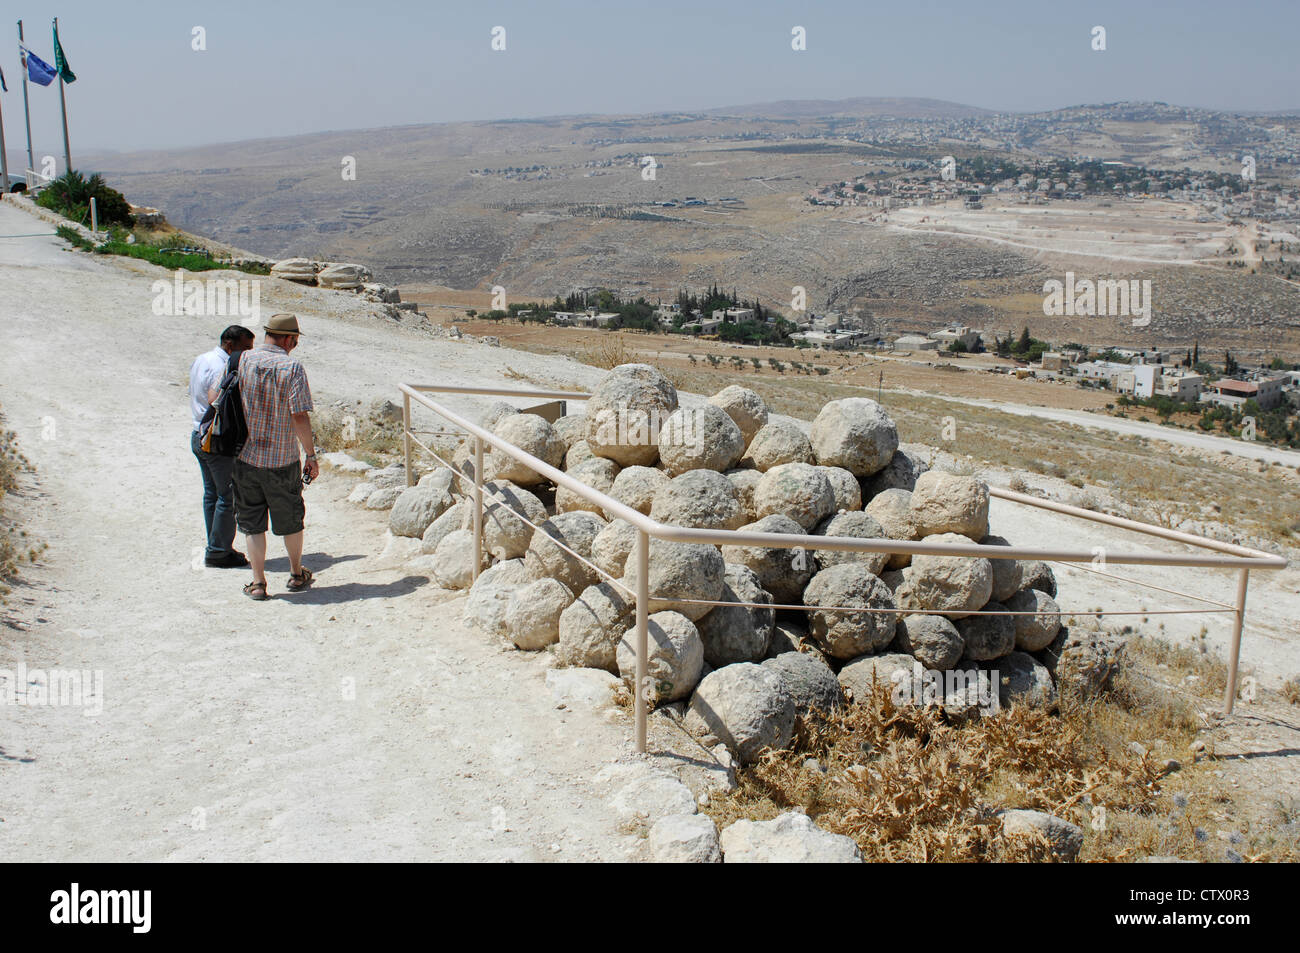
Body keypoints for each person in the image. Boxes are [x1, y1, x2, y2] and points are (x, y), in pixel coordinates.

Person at [233, 313, 319, 600]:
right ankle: (296, 575)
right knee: (291, 519)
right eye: (294, 340)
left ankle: (258, 583)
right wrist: (310, 455)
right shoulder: (292, 367)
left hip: (247, 455)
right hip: (282, 459)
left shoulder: (245, 359)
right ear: (287, 338)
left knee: (252, 523)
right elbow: (299, 415)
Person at [189, 325, 255, 568]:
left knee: (212, 494)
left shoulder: (202, 359)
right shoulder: (224, 367)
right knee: (228, 496)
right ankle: (219, 551)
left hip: (198, 432)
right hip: (217, 439)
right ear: (231, 345)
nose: (248, 353)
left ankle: (216, 544)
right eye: (246, 348)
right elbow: (220, 403)